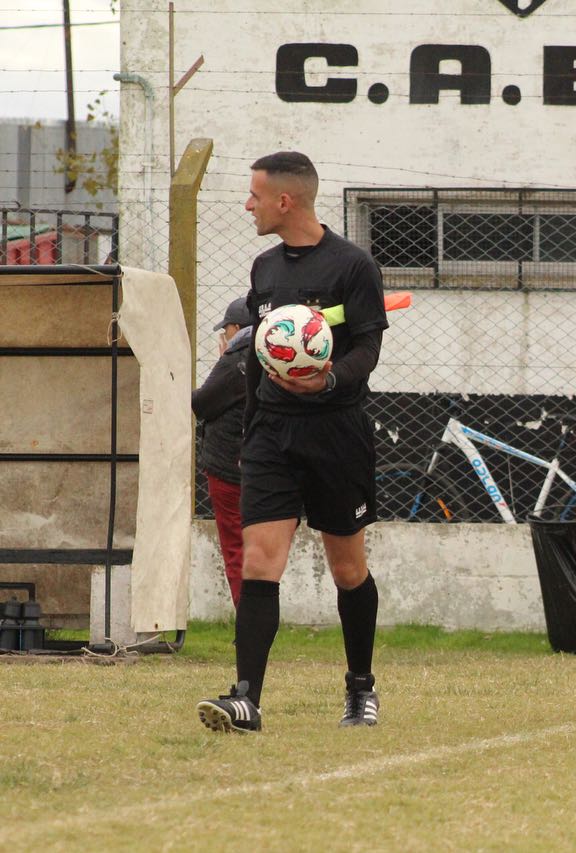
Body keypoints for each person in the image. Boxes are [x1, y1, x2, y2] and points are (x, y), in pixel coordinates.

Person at [196, 151, 388, 733]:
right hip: (272, 436)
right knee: (260, 562)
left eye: (255, 195)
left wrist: (326, 378)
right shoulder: (264, 270)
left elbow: (367, 351)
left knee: (348, 568)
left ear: (286, 200)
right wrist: (252, 428)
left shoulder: (353, 267)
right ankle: (245, 699)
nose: (247, 204)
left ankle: (361, 689)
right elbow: (258, 358)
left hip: (337, 434)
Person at [191, 296, 255, 608]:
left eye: (225, 330)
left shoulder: (237, 359)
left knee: (236, 549)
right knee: (260, 549)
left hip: (228, 467)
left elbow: (203, 403)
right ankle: (259, 618)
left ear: (235, 327)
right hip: (263, 466)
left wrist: (224, 358)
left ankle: (248, 624)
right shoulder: (273, 352)